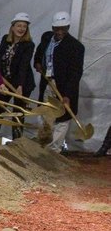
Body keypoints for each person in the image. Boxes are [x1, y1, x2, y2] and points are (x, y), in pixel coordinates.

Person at [34, 11, 85, 153]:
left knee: (62, 118)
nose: (60, 31)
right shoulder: (46, 38)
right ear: (52, 28)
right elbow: (39, 54)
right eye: (57, 28)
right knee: (45, 112)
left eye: (63, 28)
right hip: (48, 82)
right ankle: (42, 145)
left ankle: (53, 150)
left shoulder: (76, 47)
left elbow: (76, 73)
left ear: (68, 27)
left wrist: (67, 94)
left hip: (64, 86)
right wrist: (38, 63)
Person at [0, 12, 35, 147]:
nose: (21, 29)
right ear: (12, 27)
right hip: (5, 83)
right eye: (18, 25)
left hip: (22, 83)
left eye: (24, 26)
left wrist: (19, 86)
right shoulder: (6, 39)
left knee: (18, 113)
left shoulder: (28, 44)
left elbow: (24, 65)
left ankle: (17, 145)